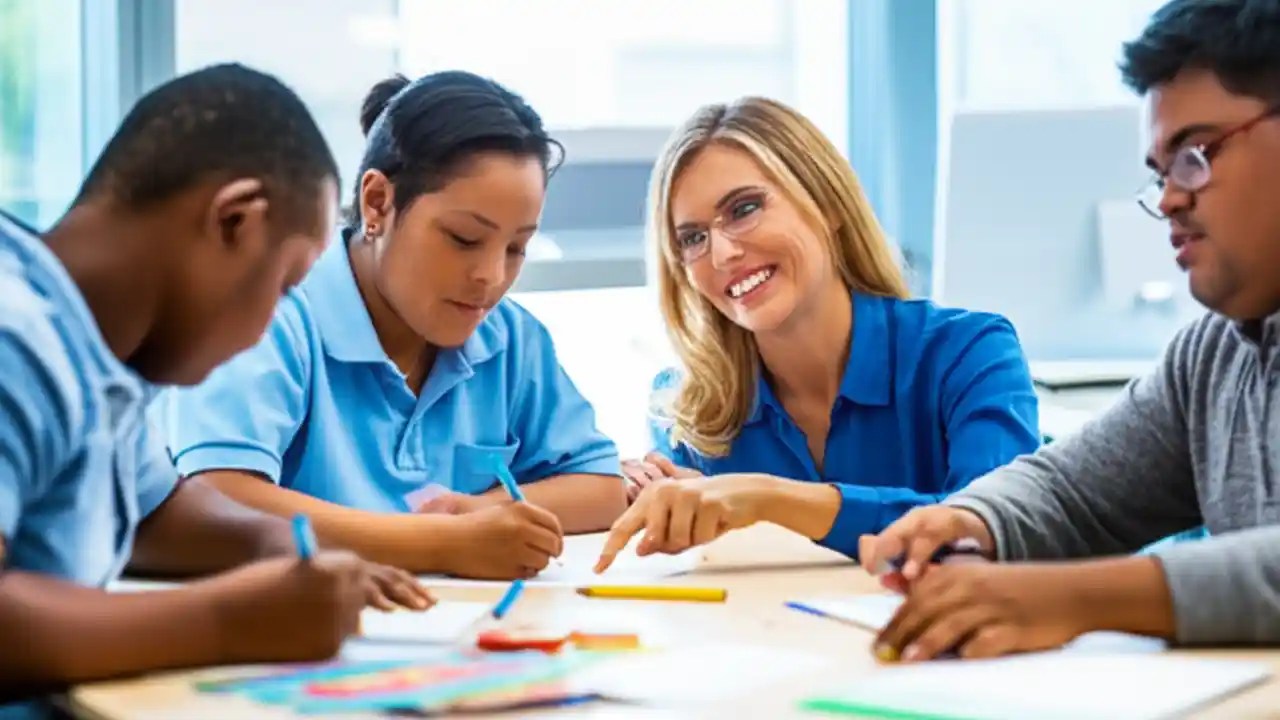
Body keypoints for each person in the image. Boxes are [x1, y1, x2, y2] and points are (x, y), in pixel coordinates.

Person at [0, 64, 433, 717]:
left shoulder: (101, 358)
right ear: (234, 220)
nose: (269, 327)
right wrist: (227, 622)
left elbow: (157, 511)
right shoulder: (16, 335)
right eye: (285, 285)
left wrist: (276, 545)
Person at [859, 0, 1280, 663]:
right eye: (1161, 170)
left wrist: (1075, 599)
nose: (1168, 197)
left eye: (1195, 154)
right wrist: (973, 522)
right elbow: (1077, 492)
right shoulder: (1215, 354)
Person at [164, 71, 628, 580]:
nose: (491, 278)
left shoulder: (509, 338)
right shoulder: (270, 315)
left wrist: (477, 512)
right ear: (377, 203)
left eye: (517, 247)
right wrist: (436, 543)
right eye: (464, 239)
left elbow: (600, 486)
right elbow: (214, 498)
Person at [597, 97, 1039, 571]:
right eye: (692, 238)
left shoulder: (969, 353)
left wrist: (768, 500)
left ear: (826, 202)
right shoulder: (683, 406)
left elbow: (994, 528)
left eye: (744, 209)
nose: (722, 253)